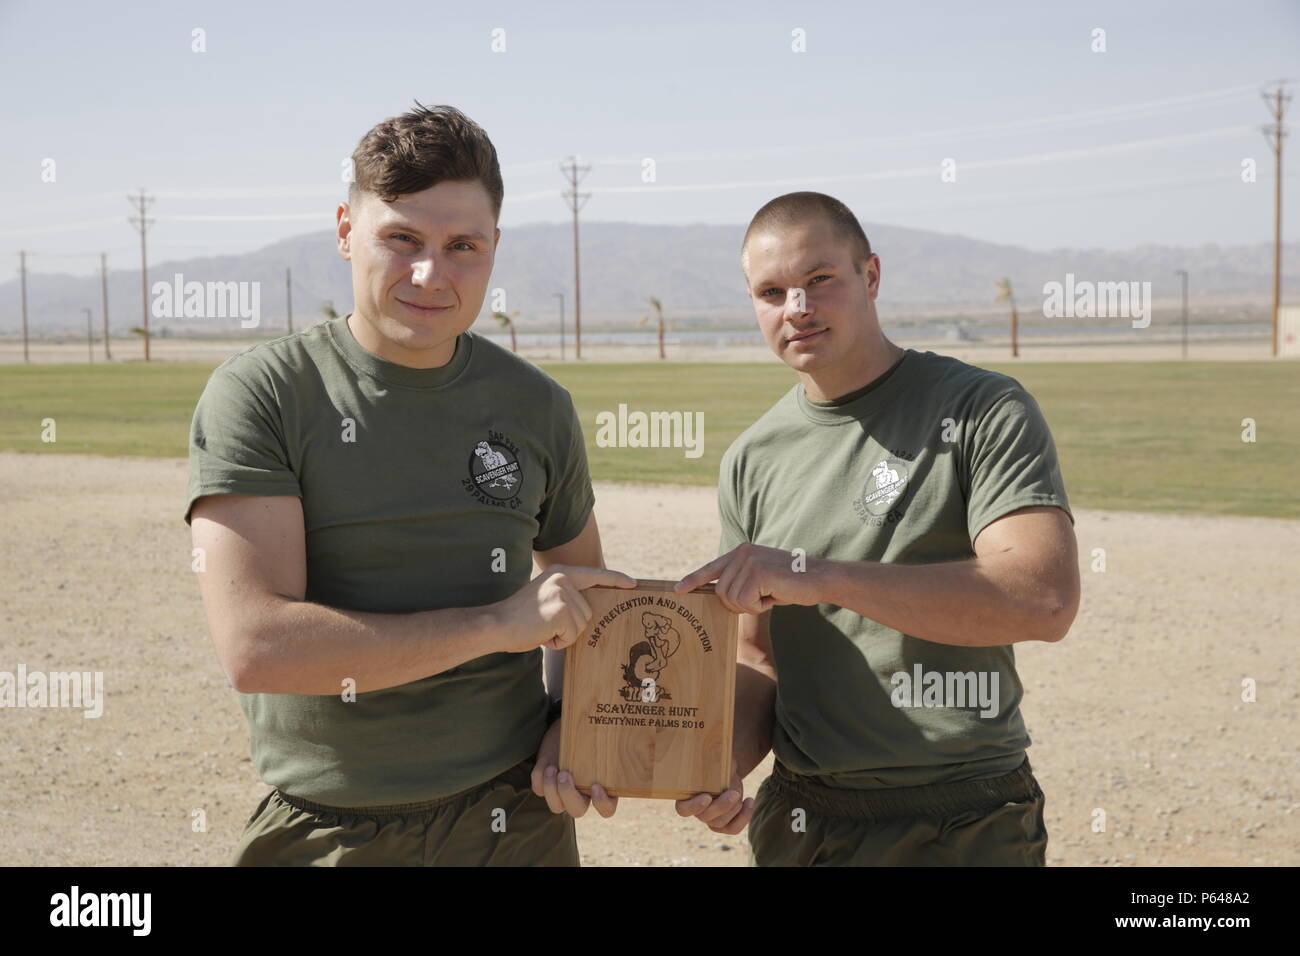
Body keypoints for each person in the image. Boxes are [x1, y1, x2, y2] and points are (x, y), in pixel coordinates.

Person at [186, 102, 632, 867]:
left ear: (494, 249)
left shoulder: (535, 404)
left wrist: (570, 718)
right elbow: (259, 647)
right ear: (344, 231)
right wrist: (497, 625)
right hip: (331, 828)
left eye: (464, 245)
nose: (431, 274)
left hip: (513, 822)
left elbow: (577, 587)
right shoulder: (263, 394)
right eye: (401, 239)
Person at [674, 191, 1080, 866]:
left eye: (819, 281)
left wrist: (816, 575)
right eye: (771, 292)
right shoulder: (753, 457)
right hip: (806, 824)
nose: (796, 309)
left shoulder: (980, 408)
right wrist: (723, 760)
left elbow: (1042, 598)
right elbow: (758, 656)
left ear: (870, 276)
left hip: (963, 817)